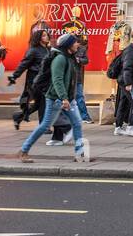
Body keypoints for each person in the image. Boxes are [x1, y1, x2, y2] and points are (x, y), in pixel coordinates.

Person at [18, 34, 89, 163]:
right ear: (68, 45)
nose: (77, 45)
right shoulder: (60, 59)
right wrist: (64, 98)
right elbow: (57, 80)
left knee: (77, 123)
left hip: (68, 98)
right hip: (56, 99)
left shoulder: (70, 58)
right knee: (45, 126)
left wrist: (68, 98)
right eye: (74, 43)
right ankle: (24, 150)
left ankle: (80, 154)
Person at [8, 29, 49, 130]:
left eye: (47, 35)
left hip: (44, 80)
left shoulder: (47, 49)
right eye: (44, 35)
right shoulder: (33, 50)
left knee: (38, 104)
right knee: (43, 102)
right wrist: (14, 76)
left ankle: (18, 117)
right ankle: (43, 127)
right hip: (35, 82)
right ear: (39, 38)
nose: (47, 36)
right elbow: (23, 64)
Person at [113, 30, 133, 137]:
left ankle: (118, 128)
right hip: (127, 82)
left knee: (123, 103)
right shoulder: (131, 50)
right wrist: (128, 83)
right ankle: (131, 127)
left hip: (124, 81)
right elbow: (127, 67)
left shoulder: (131, 50)